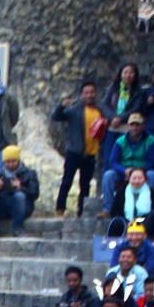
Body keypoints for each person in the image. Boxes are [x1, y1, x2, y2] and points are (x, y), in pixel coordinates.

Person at [50, 81, 105, 217]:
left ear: (96, 94)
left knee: (85, 185)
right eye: (86, 93)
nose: (89, 95)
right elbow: (56, 117)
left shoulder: (101, 110)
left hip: (90, 154)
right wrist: (61, 106)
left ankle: (81, 212)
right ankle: (60, 209)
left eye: (92, 92)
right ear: (81, 95)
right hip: (74, 152)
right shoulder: (75, 110)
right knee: (67, 181)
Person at [102, 118, 154, 219]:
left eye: (138, 125)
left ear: (143, 126)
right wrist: (123, 170)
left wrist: (138, 171)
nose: (134, 128)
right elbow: (112, 161)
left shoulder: (151, 140)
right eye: (132, 125)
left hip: (143, 171)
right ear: (128, 126)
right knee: (108, 175)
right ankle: (107, 209)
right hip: (124, 171)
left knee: (152, 175)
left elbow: (153, 162)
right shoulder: (120, 141)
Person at [0, 145, 39, 235]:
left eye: (13, 161)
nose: (10, 164)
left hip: (22, 207)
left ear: (18, 161)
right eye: (7, 162)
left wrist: (21, 188)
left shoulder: (29, 173)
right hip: (3, 205)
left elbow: (35, 194)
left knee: (19, 196)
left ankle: (17, 229)